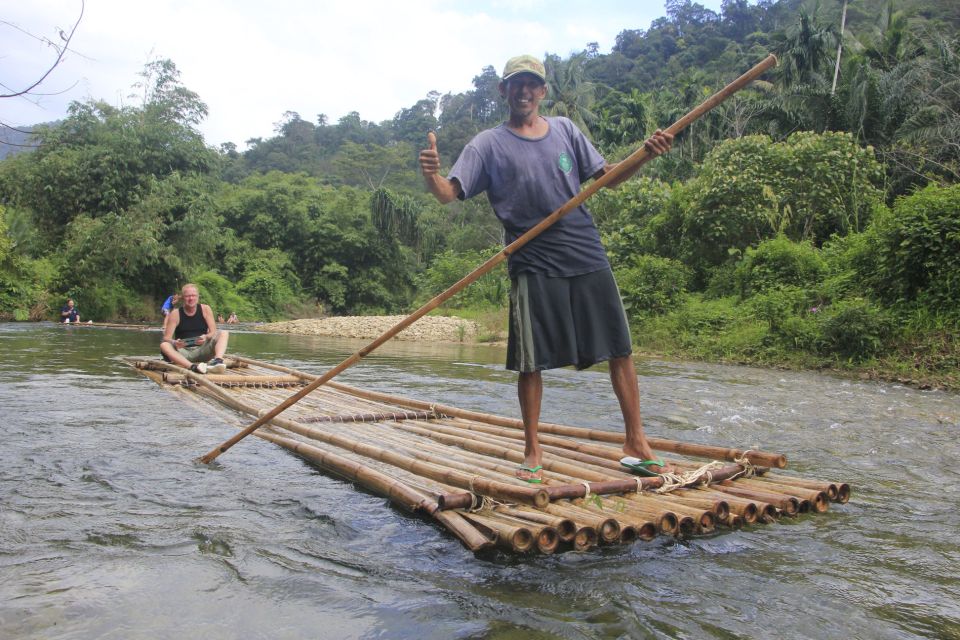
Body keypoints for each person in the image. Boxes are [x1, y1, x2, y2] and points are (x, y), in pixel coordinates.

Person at [419, 54, 675, 483]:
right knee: (530, 359)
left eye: (532, 84)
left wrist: (644, 155)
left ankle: (636, 443)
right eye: (516, 84)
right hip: (531, 257)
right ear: (503, 91)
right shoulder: (486, 144)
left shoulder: (566, 131)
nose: (524, 91)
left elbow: (606, 177)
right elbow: (448, 194)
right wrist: (432, 177)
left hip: (583, 248)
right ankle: (532, 450)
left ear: (542, 91)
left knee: (619, 346)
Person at [160, 284, 230, 374]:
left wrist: (206, 337)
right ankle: (192, 367)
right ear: (183, 298)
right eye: (188, 296)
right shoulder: (175, 314)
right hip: (183, 352)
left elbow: (213, 332)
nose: (191, 298)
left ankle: (218, 361)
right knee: (164, 345)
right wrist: (175, 342)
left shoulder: (205, 309)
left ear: (198, 297)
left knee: (224, 333)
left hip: (202, 350)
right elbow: (166, 338)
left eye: (193, 295)